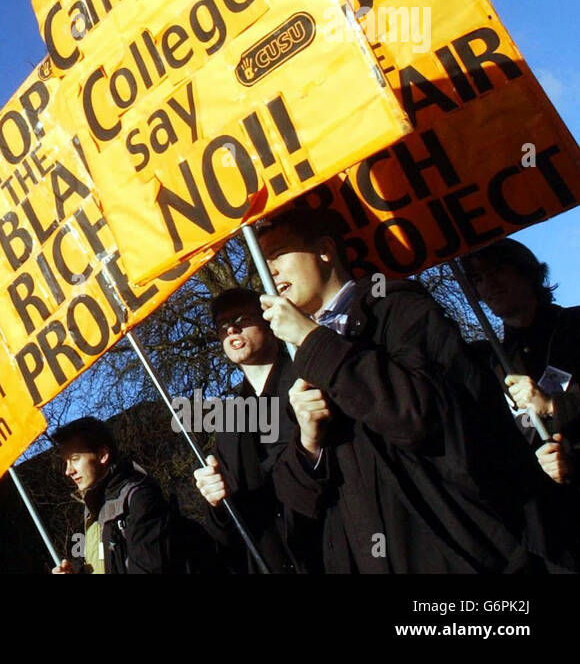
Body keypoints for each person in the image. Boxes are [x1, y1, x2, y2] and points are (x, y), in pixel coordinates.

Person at [255, 206, 550, 573]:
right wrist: (308, 445)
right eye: (262, 263)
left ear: (325, 249)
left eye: (278, 253)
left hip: (459, 557)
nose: (270, 271)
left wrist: (315, 341)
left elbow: (421, 417)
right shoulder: (292, 368)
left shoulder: (400, 311)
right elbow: (294, 503)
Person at [193, 288, 320, 573]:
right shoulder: (228, 424)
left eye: (241, 318)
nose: (231, 329)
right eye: (222, 325)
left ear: (268, 322)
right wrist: (216, 504)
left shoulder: (309, 382)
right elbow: (227, 537)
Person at [463, 237, 580, 484]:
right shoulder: (491, 363)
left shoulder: (575, 325)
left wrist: (552, 405)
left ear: (527, 272)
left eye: (498, 270)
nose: (489, 284)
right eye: (478, 279)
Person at [50, 416, 195, 574]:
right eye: (66, 462)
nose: (68, 471)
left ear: (103, 455)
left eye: (75, 459)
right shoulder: (91, 509)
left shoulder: (140, 498)